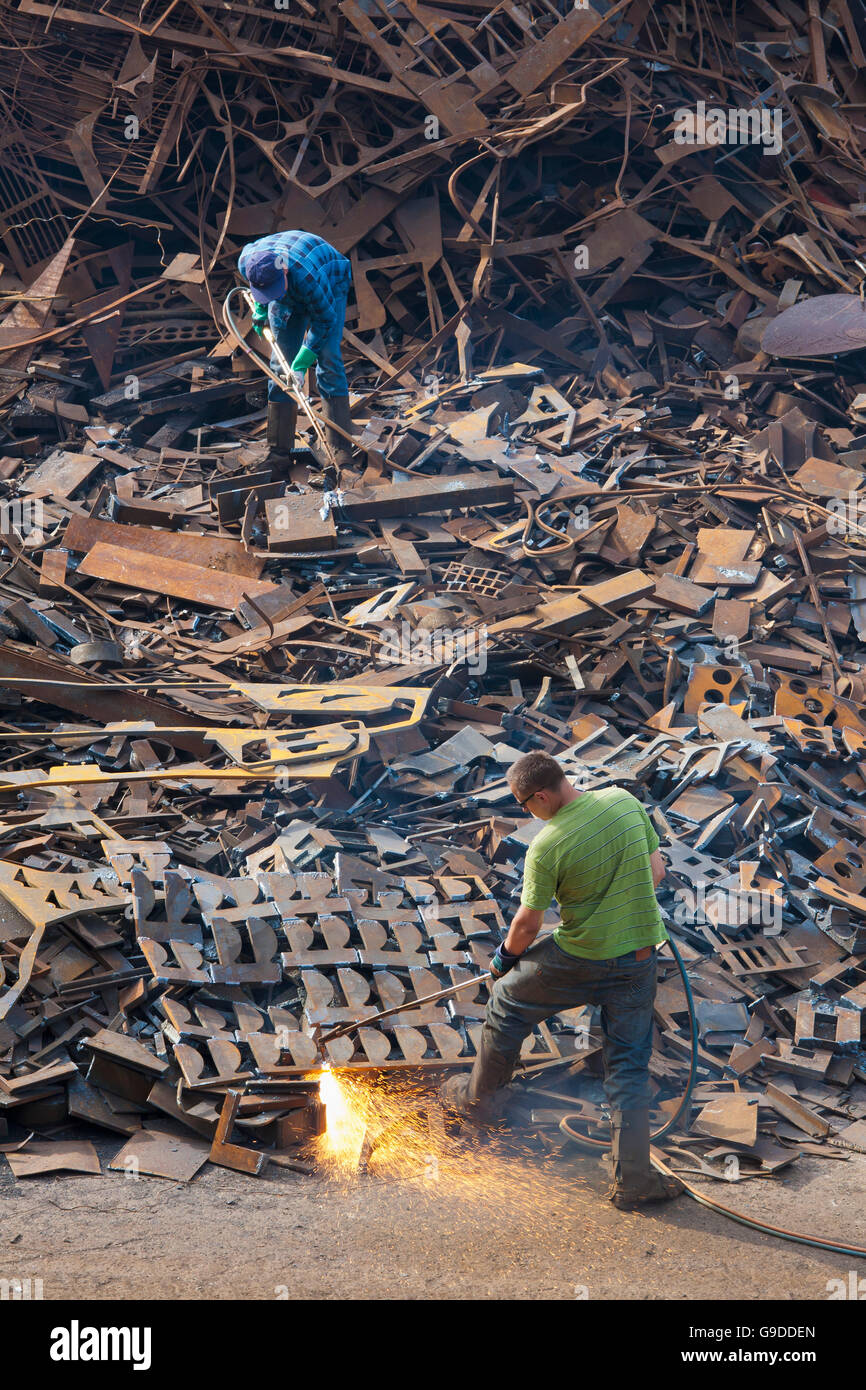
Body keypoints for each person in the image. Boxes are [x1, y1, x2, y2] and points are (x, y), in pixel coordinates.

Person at [440, 750, 682, 1211]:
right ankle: (633, 1181)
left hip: (579, 960)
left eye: (525, 806)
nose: (526, 814)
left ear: (542, 796)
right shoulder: (623, 802)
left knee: (508, 1002)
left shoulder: (546, 846)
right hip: (638, 957)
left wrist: (502, 962)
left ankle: (477, 1109)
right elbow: (655, 873)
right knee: (628, 1065)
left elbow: (528, 926)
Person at [238, 230, 354, 471]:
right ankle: (278, 451)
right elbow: (260, 284)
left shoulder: (308, 277)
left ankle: (339, 449)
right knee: (280, 367)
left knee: (328, 359)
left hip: (330, 278)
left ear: (285, 272)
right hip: (289, 286)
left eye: (273, 290)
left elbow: (325, 321)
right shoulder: (246, 261)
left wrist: (301, 366)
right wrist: (261, 307)